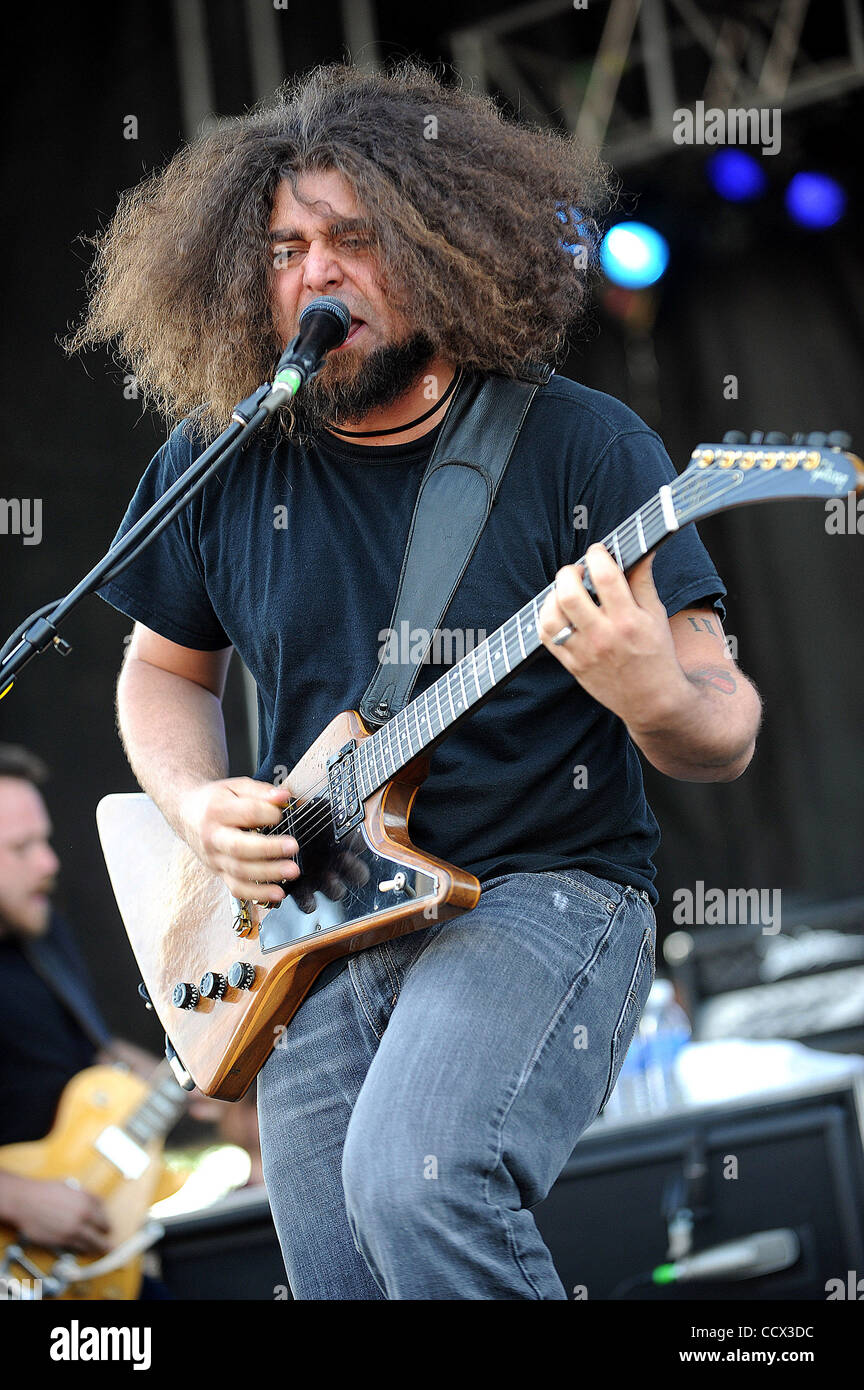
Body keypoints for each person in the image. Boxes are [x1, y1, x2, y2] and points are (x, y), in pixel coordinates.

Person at [68, 63, 762, 1299]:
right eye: (284, 248)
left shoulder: (580, 444)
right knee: (335, 1265)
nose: (315, 274)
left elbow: (725, 728)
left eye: (353, 237)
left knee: (418, 1182)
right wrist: (195, 807)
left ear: (444, 249)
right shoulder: (215, 460)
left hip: (540, 890)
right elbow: (161, 673)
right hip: (312, 926)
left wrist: (650, 688)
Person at [0, 743, 159, 1256]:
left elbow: (85, 1059)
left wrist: (176, 1079)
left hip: (79, 1253)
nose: (49, 862)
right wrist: (16, 1197)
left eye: (44, 842)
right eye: (21, 848)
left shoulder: (45, 935)